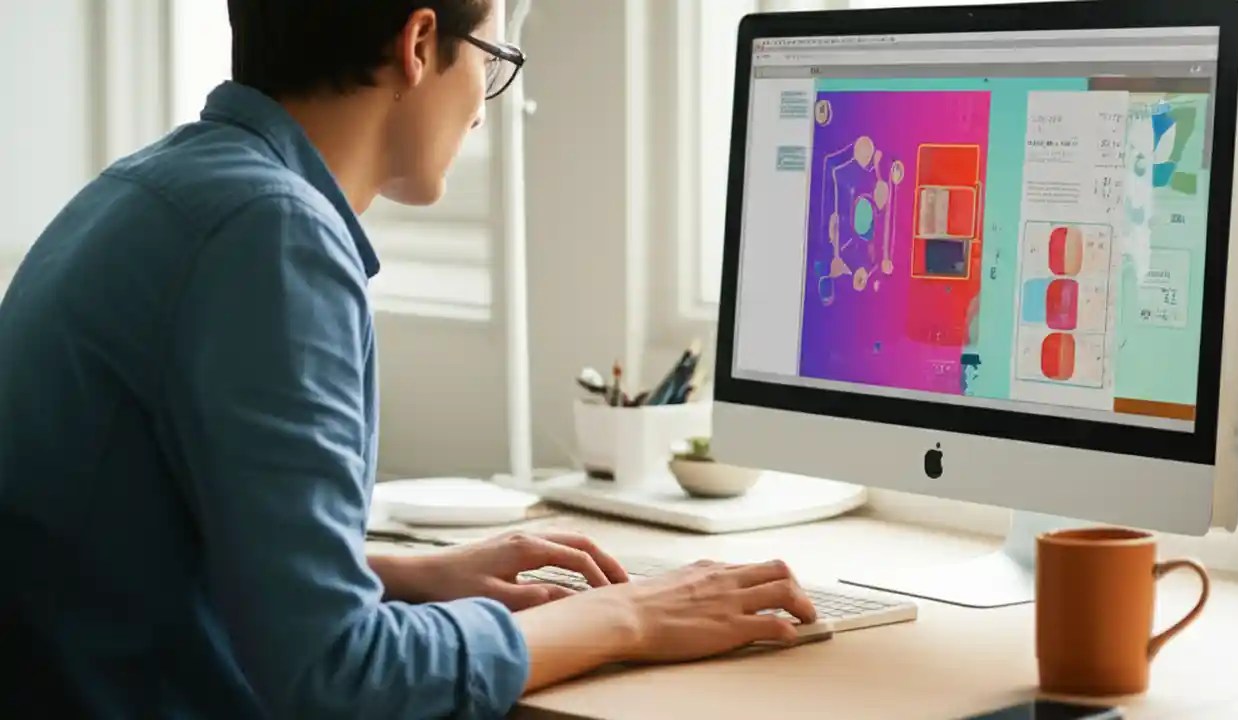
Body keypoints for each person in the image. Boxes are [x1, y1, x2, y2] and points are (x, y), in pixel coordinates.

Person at [0, 1, 817, 717]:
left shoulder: (156, 187)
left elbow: (141, 542)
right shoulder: (273, 235)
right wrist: (629, 617)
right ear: (419, 43)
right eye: (493, 62)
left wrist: (401, 574)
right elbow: (337, 677)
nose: (482, 113)